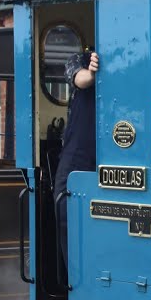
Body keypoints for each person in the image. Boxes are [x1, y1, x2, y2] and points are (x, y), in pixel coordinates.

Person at [54, 49, 99, 273]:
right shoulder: (78, 58)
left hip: (105, 153)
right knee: (65, 209)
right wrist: (91, 73)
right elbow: (79, 79)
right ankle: (73, 282)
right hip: (78, 154)